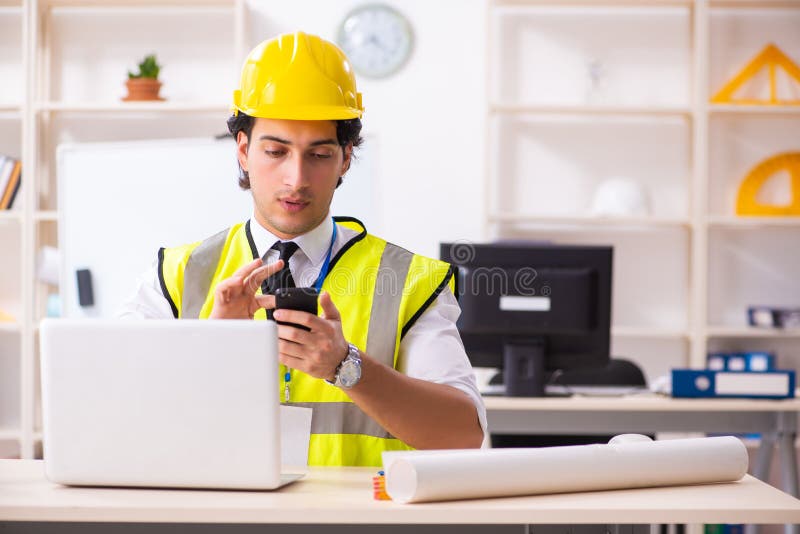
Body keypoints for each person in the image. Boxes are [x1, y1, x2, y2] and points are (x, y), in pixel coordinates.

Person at [119, 31, 486, 466]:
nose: (296, 178)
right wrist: (210, 345)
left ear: (346, 159)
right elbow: (118, 416)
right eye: (276, 151)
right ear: (243, 150)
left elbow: (462, 435)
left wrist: (347, 368)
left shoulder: (411, 281)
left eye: (319, 155)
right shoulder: (175, 275)